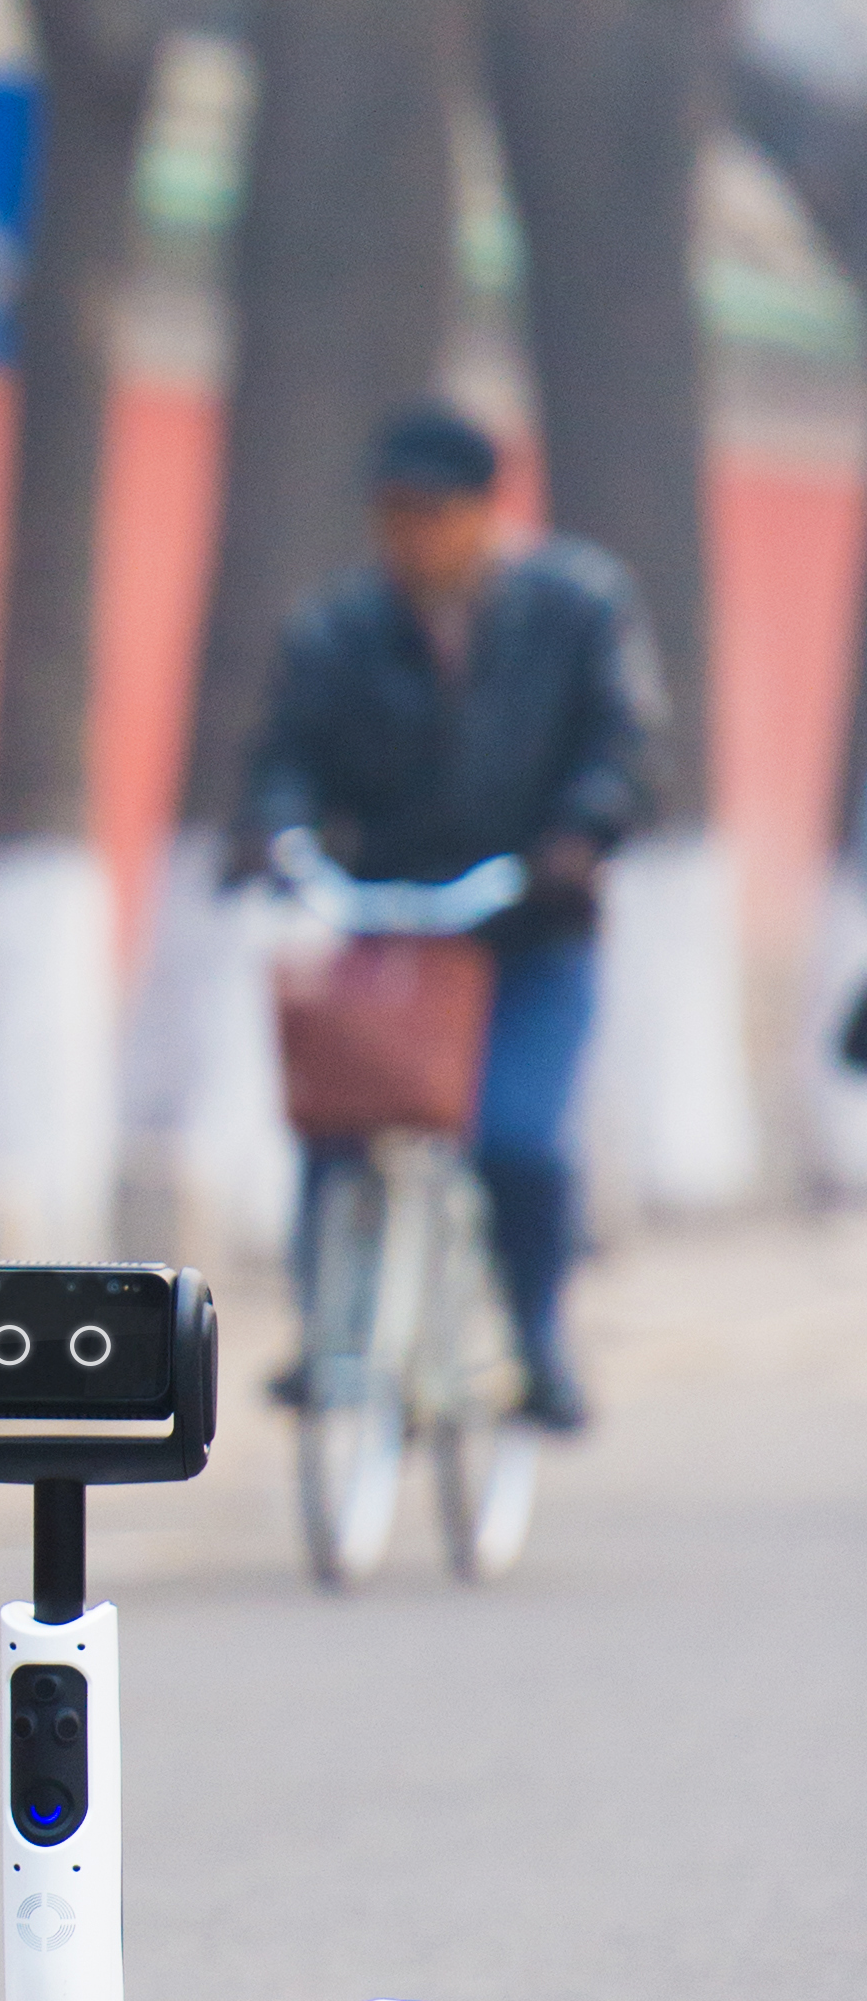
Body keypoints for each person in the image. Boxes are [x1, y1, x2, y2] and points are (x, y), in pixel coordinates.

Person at [243, 403, 664, 1430]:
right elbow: (283, 758)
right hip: (390, 929)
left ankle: (533, 1336)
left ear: (483, 513)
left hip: (528, 927)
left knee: (517, 1142)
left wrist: (578, 835)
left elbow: (626, 745)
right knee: (338, 1124)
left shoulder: (575, 611)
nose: (407, 536)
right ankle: (332, 1327)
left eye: (429, 513)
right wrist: (278, 834)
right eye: (390, 514)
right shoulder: (339, 629)